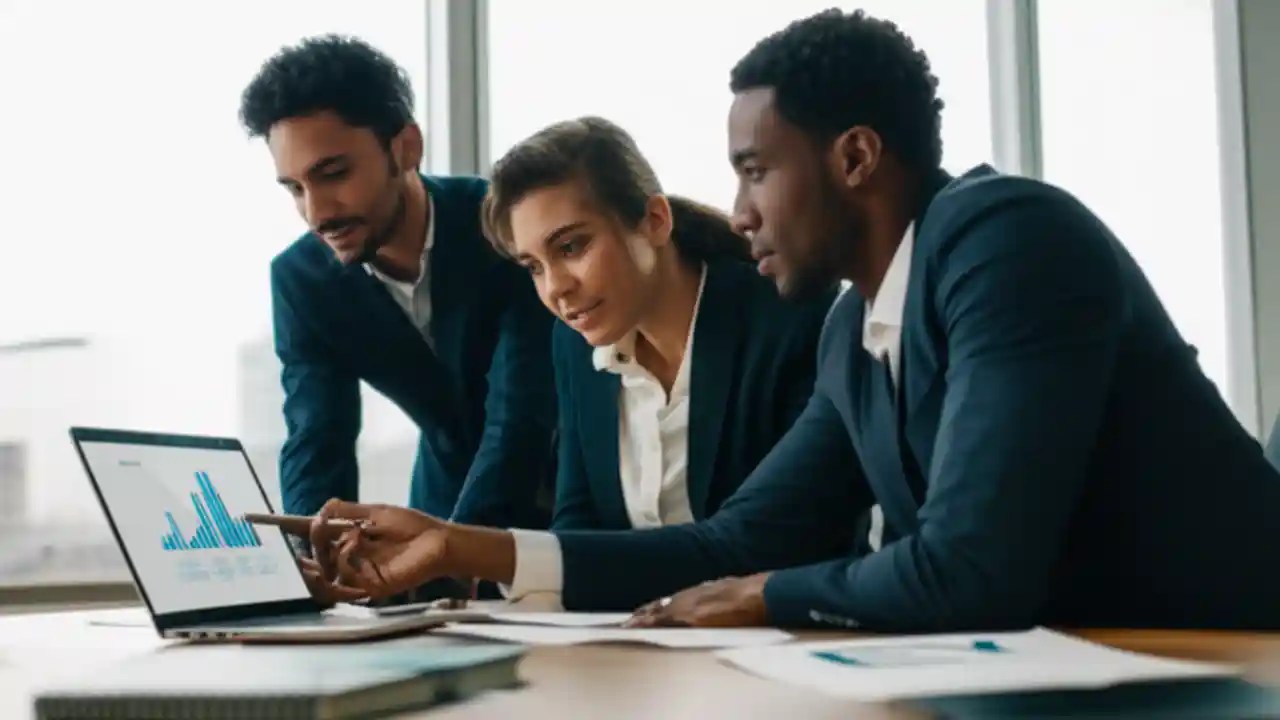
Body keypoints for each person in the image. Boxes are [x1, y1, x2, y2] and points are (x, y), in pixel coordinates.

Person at [289, 10, 1280, 631]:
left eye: (755, 170)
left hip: (1237, 653)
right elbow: (732, 540)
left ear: (852, 159)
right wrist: (462, 548)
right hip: (1106, 665)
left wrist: (772, 592)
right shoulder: (853, 339)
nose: (743, 210)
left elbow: (969, 569)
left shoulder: (1004, 238)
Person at [239, 36, 556, 536]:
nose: (317, 212)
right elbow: (316, 436)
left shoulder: (501, 228)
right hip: (442, 496)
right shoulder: (301, 281)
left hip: (567, 501)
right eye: (296, 188)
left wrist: (453, 551)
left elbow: (519, 418)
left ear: (407, 147)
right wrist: (315, 550)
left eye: (334, 174)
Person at [482, 116, 835, 539]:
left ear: (654, 221)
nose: (556, 288)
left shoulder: (788, 321)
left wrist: (496, 553)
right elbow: (578, 521)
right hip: (625, 608)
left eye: (571, 247)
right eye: (534, 267)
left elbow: (771, 539)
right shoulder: (575, 345)